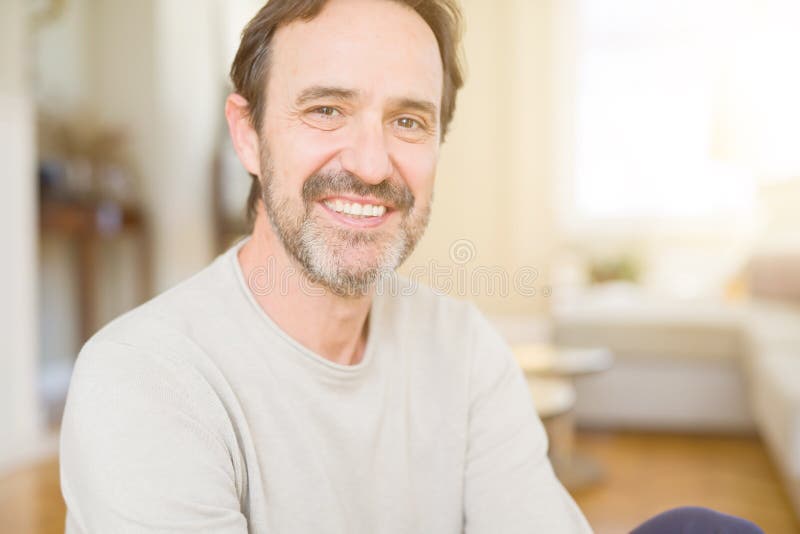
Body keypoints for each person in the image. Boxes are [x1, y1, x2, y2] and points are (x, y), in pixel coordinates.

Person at [58, 1, 764, 533]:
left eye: (408, 121)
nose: (371, 164)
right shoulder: (145, 376)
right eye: (327, 109)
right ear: (248, 134)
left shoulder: (462, 345)